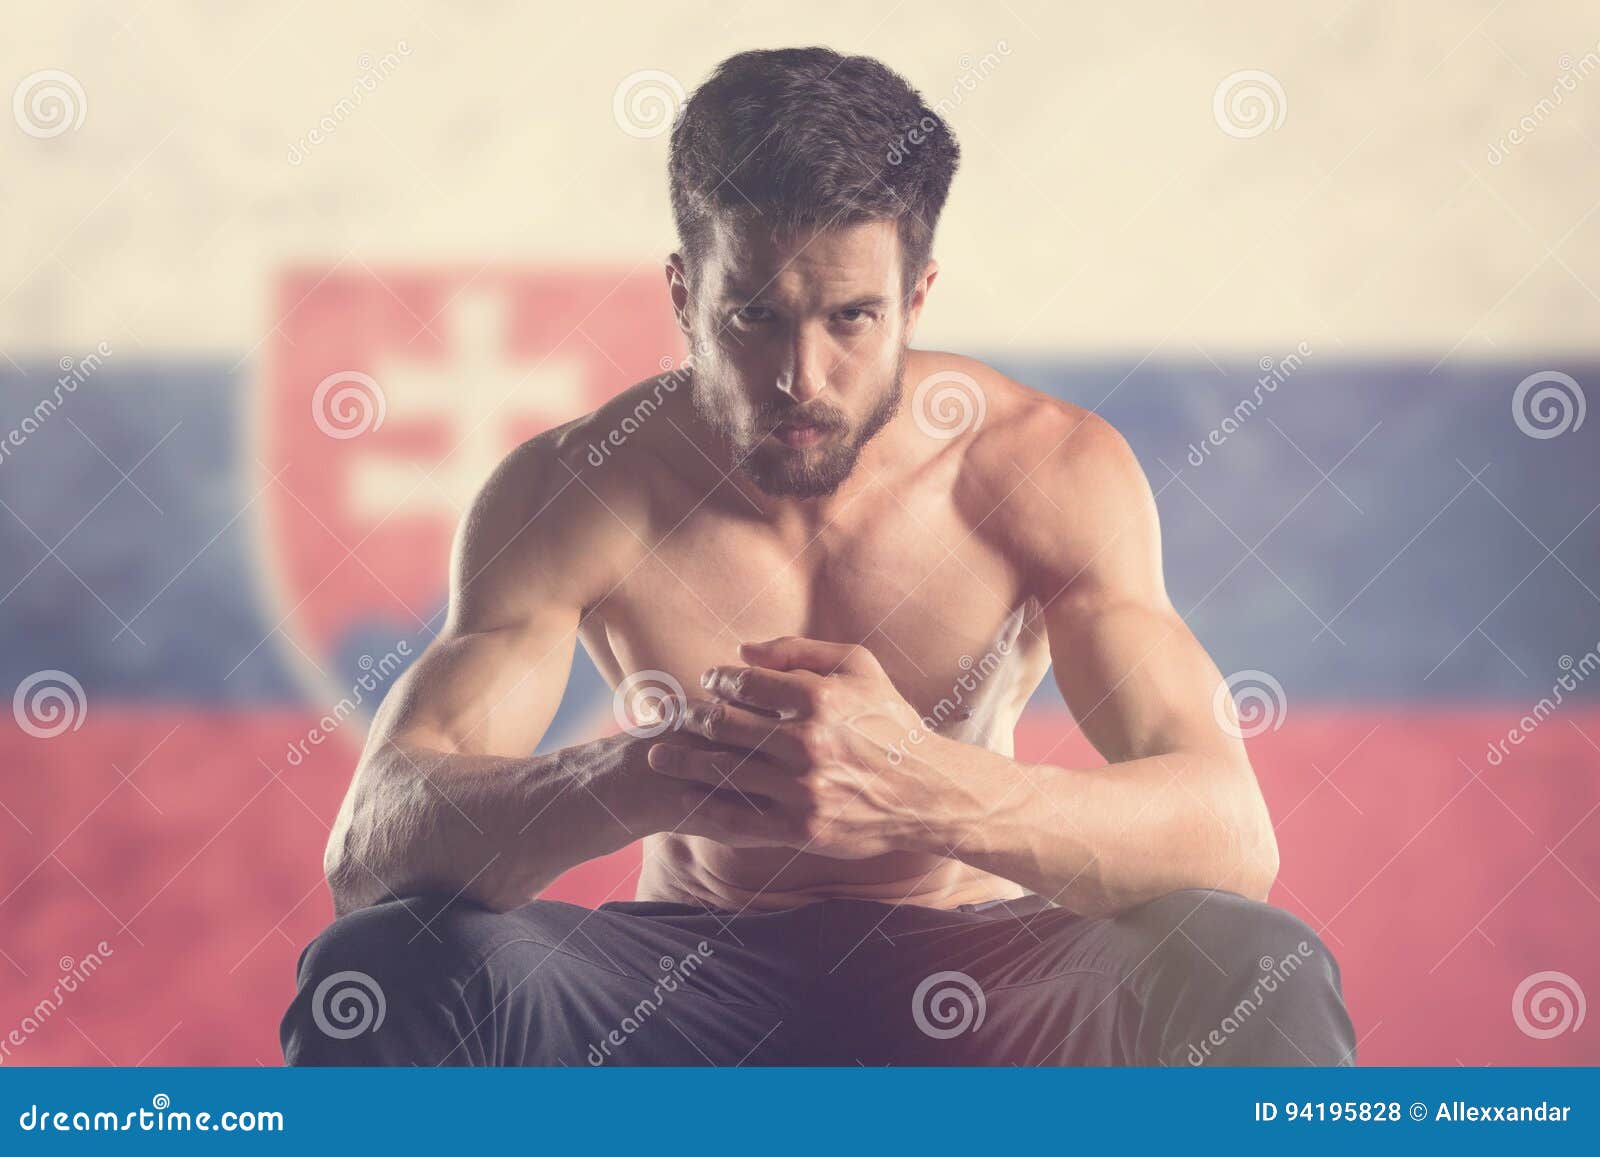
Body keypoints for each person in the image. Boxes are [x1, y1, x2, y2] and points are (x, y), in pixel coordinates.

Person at [280, 46, 1355, 1067]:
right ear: (682, 296)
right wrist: (646, 772)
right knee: (387, 964)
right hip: (679, 980)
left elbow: (1229, 835)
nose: (801, 375)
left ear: (916, 298)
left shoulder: (1044, 469)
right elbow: (373, 845)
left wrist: (921, 789)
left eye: (850, 318)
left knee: (1253, 964)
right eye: (752, 315)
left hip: (977, 978)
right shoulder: (579, 486)